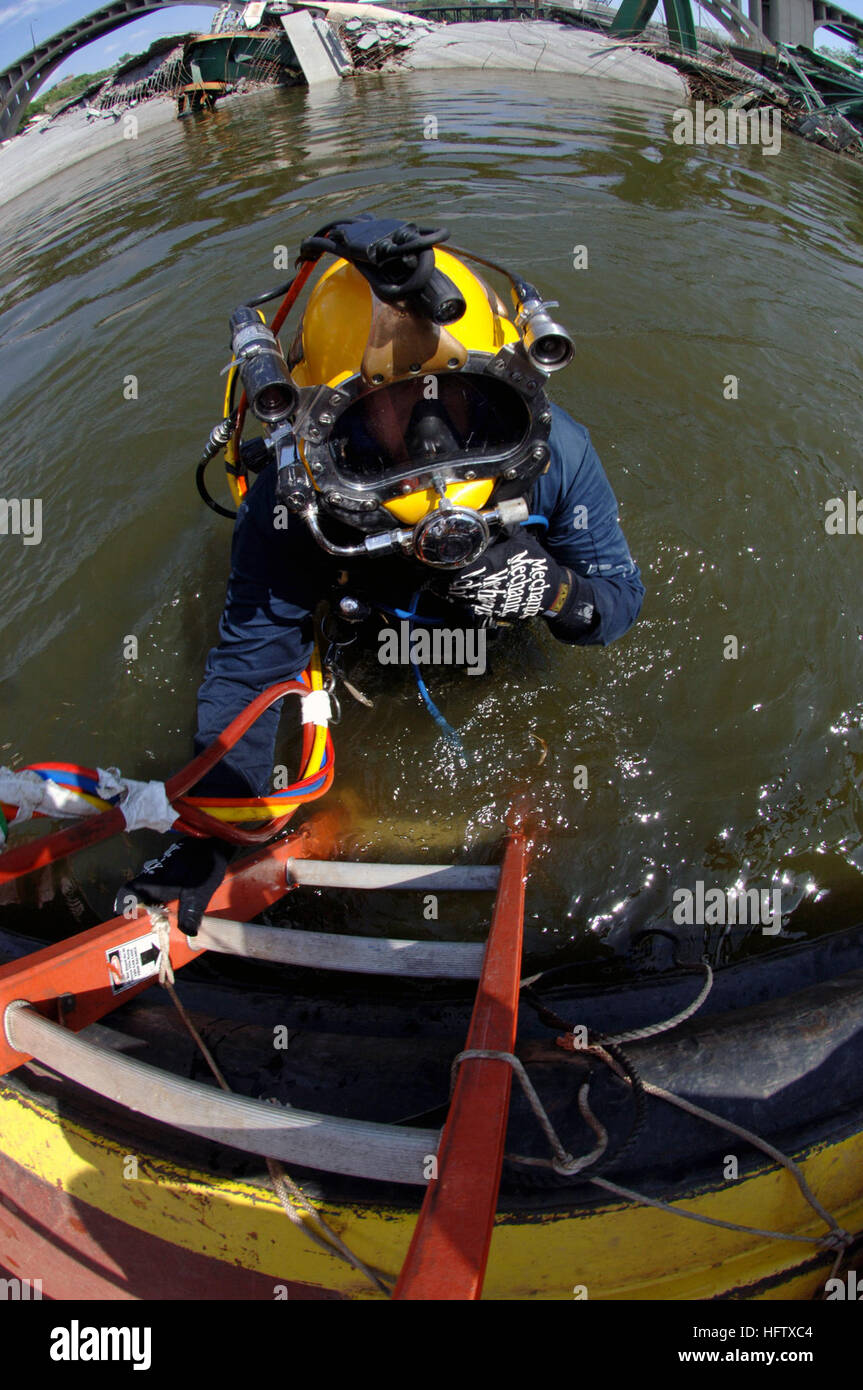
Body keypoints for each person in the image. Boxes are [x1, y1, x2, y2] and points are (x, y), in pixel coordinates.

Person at [118, 216, 644, 934]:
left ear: (505, 383)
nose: (431, 441)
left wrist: (550, 590)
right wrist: (209, 829)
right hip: (362, 633)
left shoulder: (560, 455)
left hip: (499, 629)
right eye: (387, 412)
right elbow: (250, 665)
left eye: (455, 399)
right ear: (325, 418)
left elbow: (616, 603)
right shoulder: (288, 495)